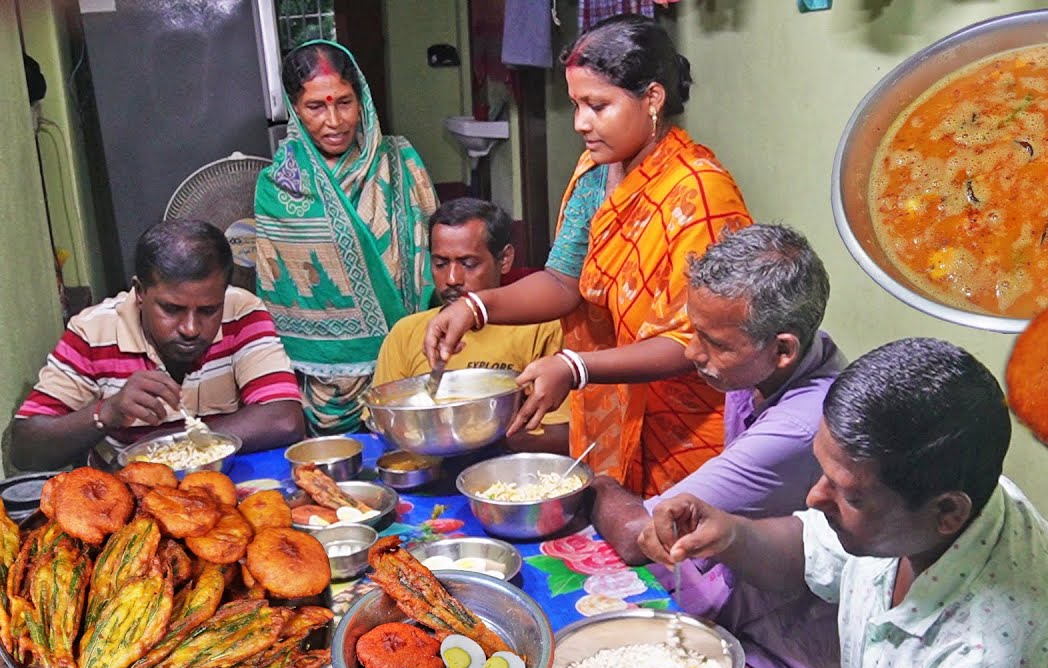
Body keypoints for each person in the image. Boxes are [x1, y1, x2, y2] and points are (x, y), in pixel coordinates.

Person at [641, 338, 1048, 668]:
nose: (814, 497)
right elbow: (818, 551)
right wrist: (731, 534)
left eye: (849, 494)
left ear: (947, 511)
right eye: (822, 472)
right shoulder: (941, 502)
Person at [424, 14, 752, 497]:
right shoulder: (598, 173)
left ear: (653, 98)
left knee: (682, 554)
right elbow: (563, 281)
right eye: (576, 105)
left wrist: (576, 368)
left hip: (686, 424)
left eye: (598, 105)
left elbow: (695, 342)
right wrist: (476, 307)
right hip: (613, 407)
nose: (581, 123)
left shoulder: (700, 194)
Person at [589, 224, 844, 668]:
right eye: (693, 331)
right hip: (746, 572)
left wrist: (599, 484)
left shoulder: (801, 425)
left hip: (784, 630)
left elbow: (637, 536)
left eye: (717, 344)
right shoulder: (776, 360)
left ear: (784, 349)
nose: (692, 353)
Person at [11, 219, 305, 470]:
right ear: (140, 292)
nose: (191, 329)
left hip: (227, 489)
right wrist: (107, 412)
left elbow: (284, 419)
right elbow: (25, 448)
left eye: (208, 310)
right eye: (172, 309)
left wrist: (164, 449)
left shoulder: (241, 312)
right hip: (132, 506)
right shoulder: (93, 332)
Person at [255, 39, 438, 435]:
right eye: (315, 107)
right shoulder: (277, 187)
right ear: (294, 110)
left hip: (409, 364)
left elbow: (435, 255)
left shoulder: (400, 161)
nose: (334, 121)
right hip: (320, 382)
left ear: (362, 100)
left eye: (344, 102)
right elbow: (279, 289)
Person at [373, 198, 569, 454]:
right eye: (440, 264)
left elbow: (565, 434)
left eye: (468, 264)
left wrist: (483, 432)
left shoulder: (541, 328)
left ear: (505, 259)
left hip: (509, 478)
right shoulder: (406, 333)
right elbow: (385, 428)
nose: (452, 279)